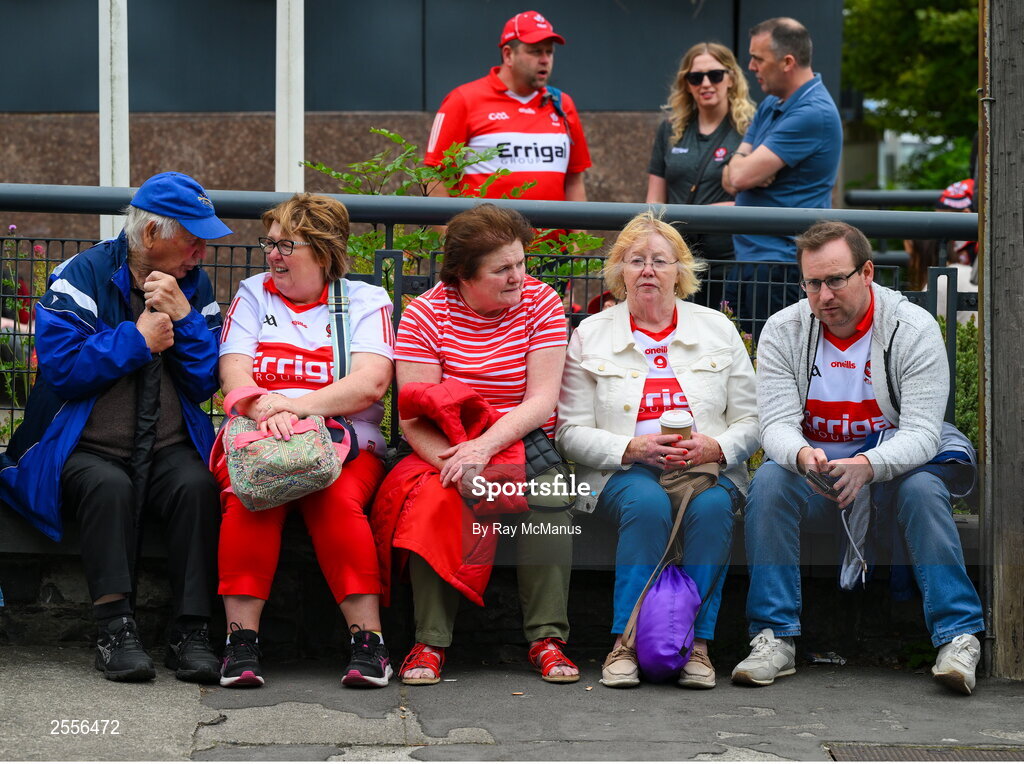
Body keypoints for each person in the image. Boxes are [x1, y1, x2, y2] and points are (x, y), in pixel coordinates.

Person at [733, 221, 985, 695]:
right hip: (817, 475)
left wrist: (867, 467)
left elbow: (923, 433)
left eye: (835, 280)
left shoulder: (912, 328)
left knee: (924, 488)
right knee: (768, 482)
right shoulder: (783, 330)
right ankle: (774, 637)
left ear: (867, 272)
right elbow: (776, 426)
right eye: (812, 283)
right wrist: (803, 455)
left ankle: (959, 638)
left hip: (890, 476)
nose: (824, 295)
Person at [0, 171, 230, 683]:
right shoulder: (81, 275)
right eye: (193, 239)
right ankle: (114, 627)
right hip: (84, 445)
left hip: (168, 443)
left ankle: (190, 630)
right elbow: (61, 369)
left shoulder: (194, 284)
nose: (201, 253)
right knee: (108, 488)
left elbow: (203, 382)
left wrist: (186, 319)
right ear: (151, 235)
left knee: (197, 487)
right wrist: (138, 339)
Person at [371, 203, 579, 685]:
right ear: (464, 275)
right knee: (436, 502)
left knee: (550, 503)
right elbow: (412, 416)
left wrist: (484, 448)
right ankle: (429, 642)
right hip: (444, 444)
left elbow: (542, 399)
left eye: (521, 262)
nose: (518, 277)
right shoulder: (425, 314)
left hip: (519, 438)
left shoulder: (542, 302)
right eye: (502, 269)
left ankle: (547, 638)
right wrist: (455, 462)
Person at [557, 212, 758, 689]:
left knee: (710, 510)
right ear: (619, 272)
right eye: (635, 260)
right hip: (622, 473)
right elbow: (568, 431)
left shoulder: (717, 330)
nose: (648, 270)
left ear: (679, 271)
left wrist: (715, 445)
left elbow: (752, 421)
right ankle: (624, 643)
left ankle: (698, 646)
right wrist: (633, 446)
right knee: (645, 505)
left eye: (660, 261)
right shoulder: (591, 334)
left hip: (706, 470)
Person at [214, 193, 396, 689]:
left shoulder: (365, 300)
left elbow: (370, 383)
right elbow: (234, 371)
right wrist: (262, 410)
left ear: (322, 250)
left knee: (335, 499)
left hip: (345, 443)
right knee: (250, 498)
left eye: (285, 245)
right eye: (269, 244)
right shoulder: (254, 294)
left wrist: (297, 408)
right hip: (260, 436)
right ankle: (240, 644)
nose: (272, 255)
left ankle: (369, 645)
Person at [721, 17, 842, 335]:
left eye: (758, 58)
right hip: (750, 258)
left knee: (778, 368)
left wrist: (744, 167)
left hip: (780, 264)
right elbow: (731, 176)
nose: (750, 66)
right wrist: (744, 166)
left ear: (787, 61)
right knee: (744, 365)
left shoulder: (812, 112)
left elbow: (740, 177)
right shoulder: (772, 104)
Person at [424, 10, 591, 210]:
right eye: (536, 51)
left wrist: (578, 240)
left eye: (549, 52)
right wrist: (447, 236)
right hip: (488, 240)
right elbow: (434, 175)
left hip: (555, 242)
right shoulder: (464, 100)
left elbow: (574, 180)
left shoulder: (562, 104)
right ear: (508, 55)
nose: (545, 59)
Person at [646, 42, 756, 311]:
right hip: (678, 259)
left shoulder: (750, 129)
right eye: (696, 77)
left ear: (730, 78)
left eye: (715, 75)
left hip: (731, 259)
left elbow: (759, 198)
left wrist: (709, 213)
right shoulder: (671, 130)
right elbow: (654, 198)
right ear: (687, 83)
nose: (706, 83)